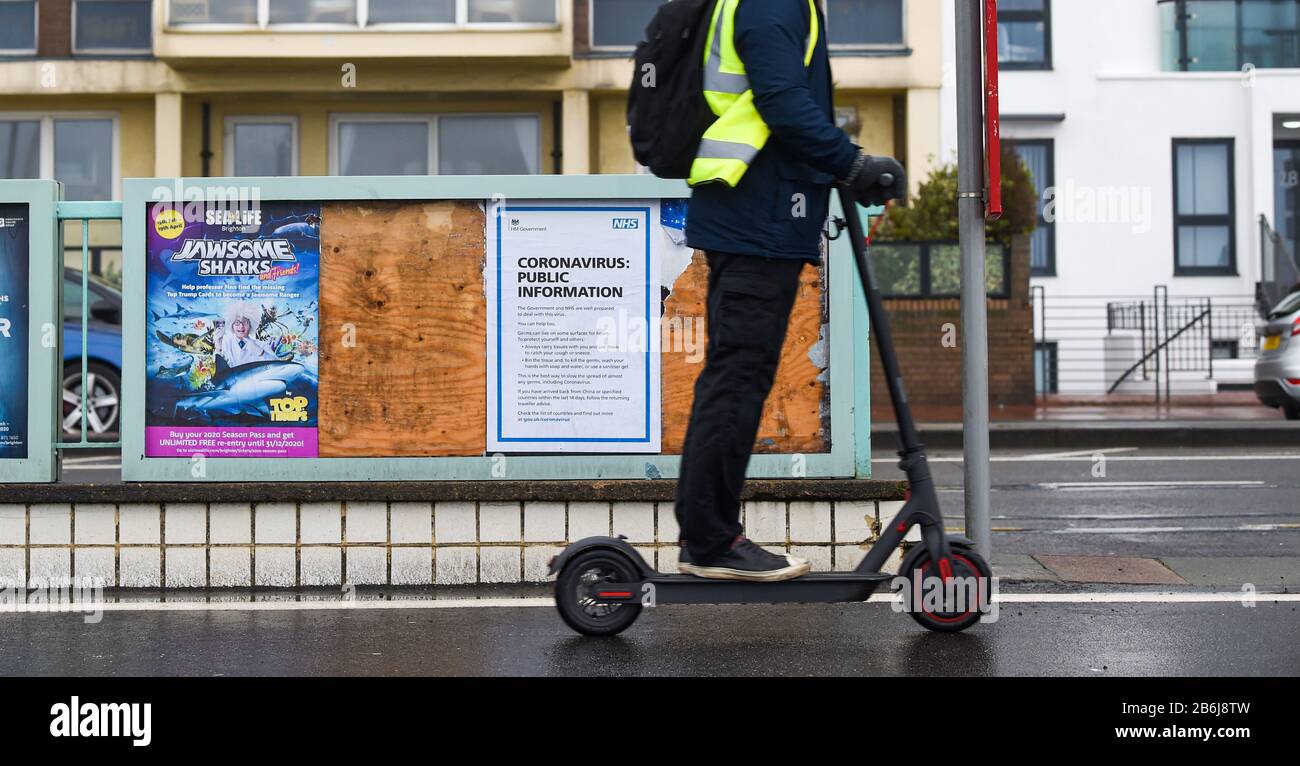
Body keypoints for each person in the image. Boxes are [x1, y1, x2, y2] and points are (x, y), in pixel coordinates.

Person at [675, 0, 908, 582]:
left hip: (758, 216)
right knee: (735, 378)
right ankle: (709, 540)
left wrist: (843, 168)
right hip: (757, 219)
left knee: (738, 378)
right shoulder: (773, 2)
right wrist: (852, 163)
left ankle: (710, 534)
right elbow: (782, 103)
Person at [215, 307, 280, 369]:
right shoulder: (226, 345)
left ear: (250, 325)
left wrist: (261, 353)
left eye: (245, 322)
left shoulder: (261, 345)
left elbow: (279, 366)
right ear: (232, 325)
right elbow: (219, 371)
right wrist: (218, 348)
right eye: (237, 322)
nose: (241, 326)